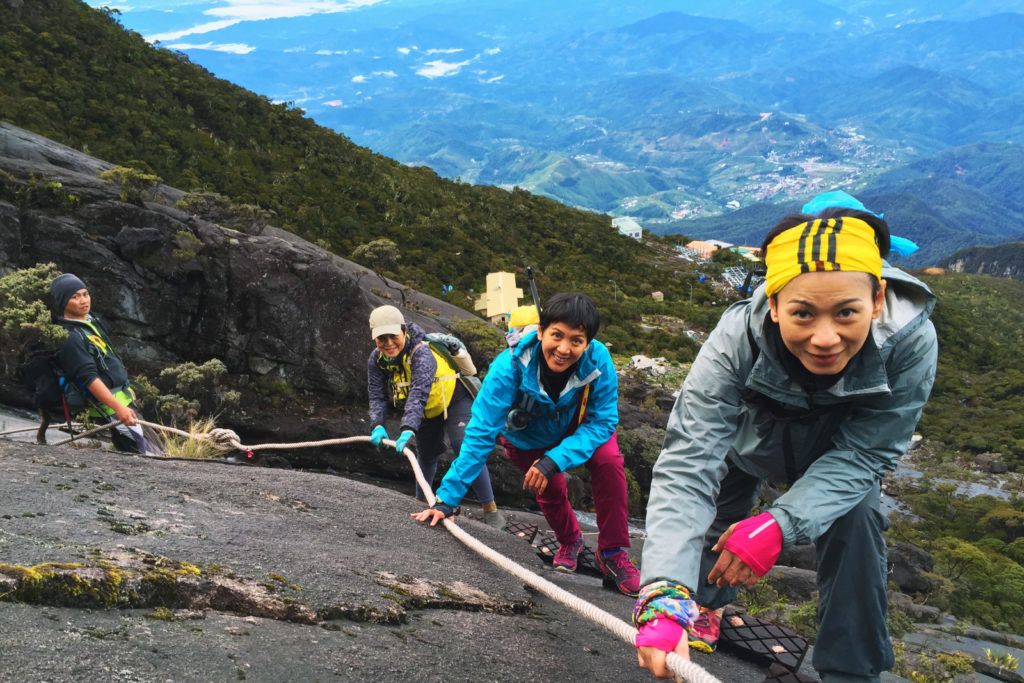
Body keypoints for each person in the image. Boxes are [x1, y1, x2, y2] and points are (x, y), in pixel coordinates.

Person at [633, 192, 938, 682]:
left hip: (835, 458)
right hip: (746, 443)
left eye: (846, 313)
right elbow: (689, 459)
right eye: (802, 314)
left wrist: (780, 524)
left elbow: (868, 452)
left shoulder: (909, 341)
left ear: (878, 299)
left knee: (858, 522)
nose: (824, 337)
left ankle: (851, 673)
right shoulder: (739, 337)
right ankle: (697, 609)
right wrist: (663, 595)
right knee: (721, 520)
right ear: (773, 304)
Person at [412, 293, 641, 597]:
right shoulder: (509, 366)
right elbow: (480, 431)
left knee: (609, 462)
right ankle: (570, 540)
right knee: (550, 489)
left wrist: (554, 459)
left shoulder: (598, 360)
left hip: (580, 427)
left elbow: (602, 421)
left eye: (576, 340)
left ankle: (612, 553)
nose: (564, 348)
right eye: (556, 335)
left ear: (588, 344)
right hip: (527, 436)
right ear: (541, 331)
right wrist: (447, 499)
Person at [366, 305, 505, 528]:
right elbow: (376, 394)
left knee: (465, 446)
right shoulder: (377, 360)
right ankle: (422, 502)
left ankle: (491, 511)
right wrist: (377, 424)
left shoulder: (421, 352)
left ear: (403, 330)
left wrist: (408, 428)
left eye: (393, 336)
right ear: (374, 338)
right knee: (427, 453)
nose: (389, 343)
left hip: (456, 397)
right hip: (428, 409)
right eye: (382, 338)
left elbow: (419, 391)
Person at [50, 273, 163, 456]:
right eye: (75, 297)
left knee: (149, 452)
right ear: (63, 302)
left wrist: (125, 388)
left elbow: (108, 360)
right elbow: (88, 377)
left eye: (85, 294)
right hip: (111, 408)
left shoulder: (89, 322)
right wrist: (118, 408)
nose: (83, 301)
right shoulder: (71, 337)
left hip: (123, 401)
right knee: (152, 455)